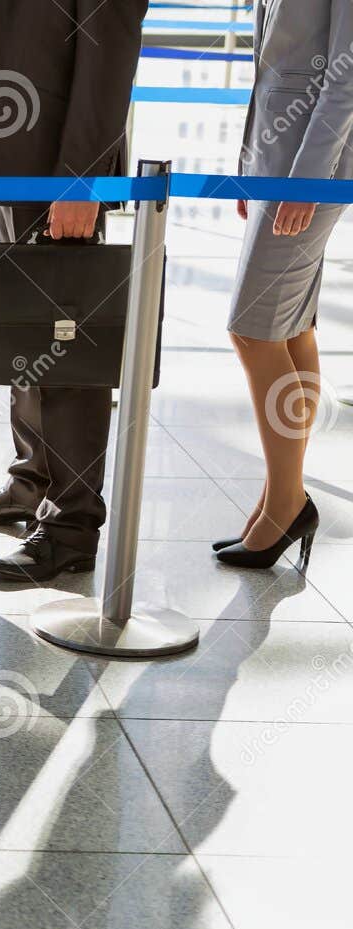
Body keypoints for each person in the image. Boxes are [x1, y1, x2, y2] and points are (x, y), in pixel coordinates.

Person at [0, 0, 149, 582]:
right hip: (22, 163)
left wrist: (80, 180)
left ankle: (70, 527)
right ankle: (30, 483)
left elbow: (108, 63)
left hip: (59, 173)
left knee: (67, 355)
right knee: (26, 334)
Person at [214, 0, 352, 571]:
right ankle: (280, 498)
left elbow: (346, 73)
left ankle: (289, 502)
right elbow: (271, 67)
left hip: (312, 168)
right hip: (278, 158)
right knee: (292, 326)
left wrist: (306, 181)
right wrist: (253, 163)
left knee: (252, 329)